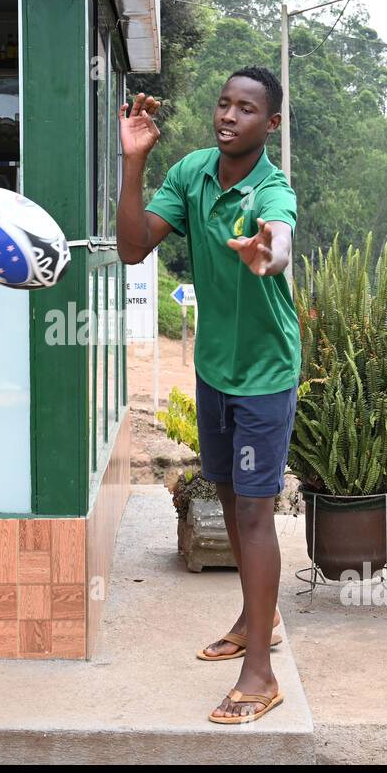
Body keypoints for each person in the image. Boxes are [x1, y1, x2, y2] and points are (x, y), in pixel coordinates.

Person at [116, 67, 297, 724]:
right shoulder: (191, 172)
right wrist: (134, 162)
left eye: (246, 109)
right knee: (226, 493)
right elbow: (131, 247)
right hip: (215, 368)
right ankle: (258, 618)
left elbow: (279, 241)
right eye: (224, 104)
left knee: (252, 514)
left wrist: (264, 252)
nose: (229, 116)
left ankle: (261, 675)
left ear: (269, 124)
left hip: (265, 375)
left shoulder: (271, 188)